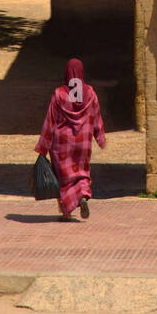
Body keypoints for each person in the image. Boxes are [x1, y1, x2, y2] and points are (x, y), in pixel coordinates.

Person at [35, 58, 106, 220]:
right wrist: (100, 137)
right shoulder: (90, 93)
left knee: (64, 177)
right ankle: (82, 195)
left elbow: (50, 121)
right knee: (81, 173)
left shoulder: (59, 94)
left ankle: (66, 212)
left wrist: (42, 147)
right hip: (83, 143)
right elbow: (97, 117)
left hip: (62, 145)